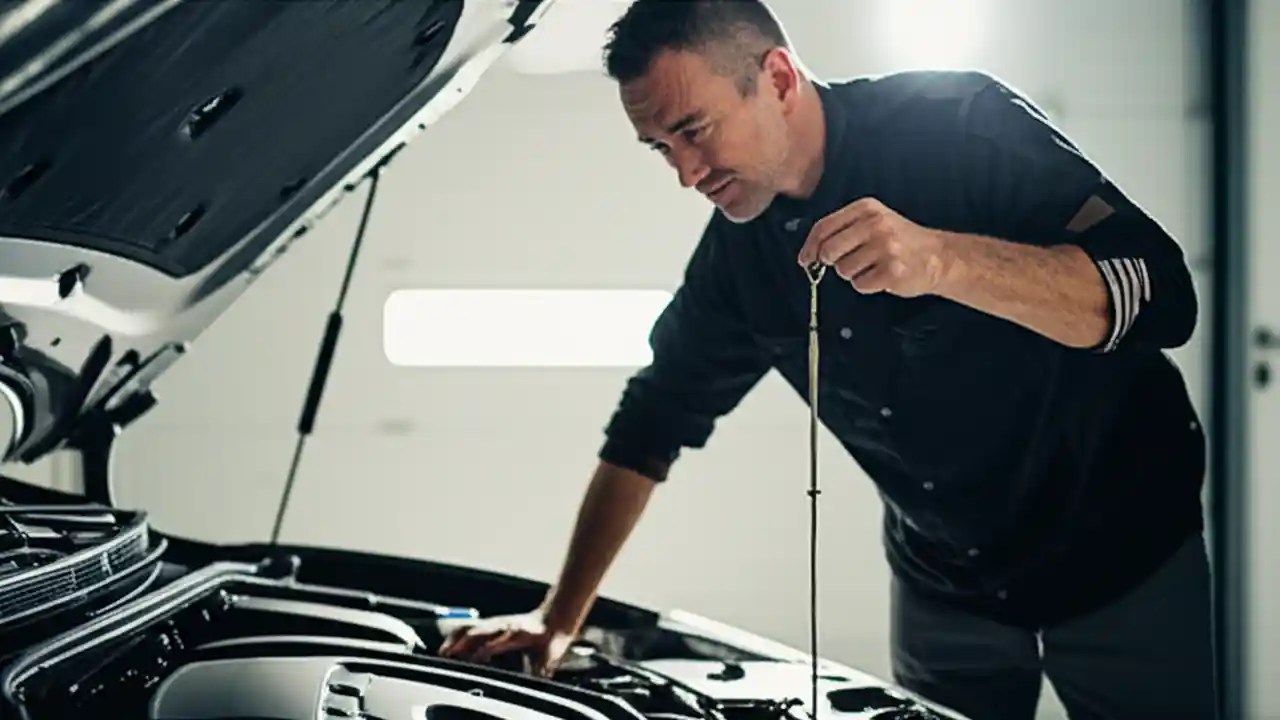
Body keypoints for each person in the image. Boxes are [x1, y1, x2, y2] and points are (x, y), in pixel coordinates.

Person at [440, 1, 1216, 718]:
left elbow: (1163, 292)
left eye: (695, 129)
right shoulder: (737, 264)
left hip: (1124, 554)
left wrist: (944, 262)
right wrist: (558, 618)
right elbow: (648, 425)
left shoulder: (959, 124)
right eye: (660, 148)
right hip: (944, 586)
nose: (684, 173)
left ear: (777, 78)